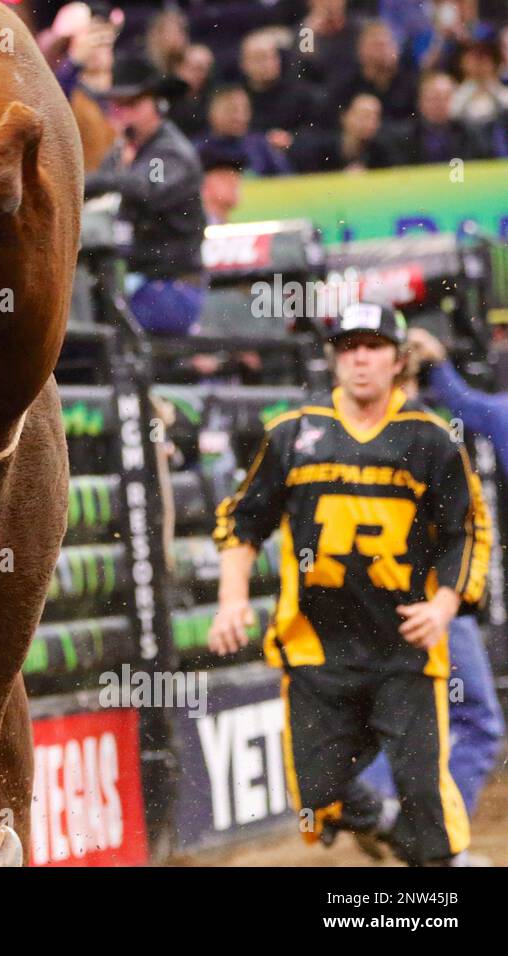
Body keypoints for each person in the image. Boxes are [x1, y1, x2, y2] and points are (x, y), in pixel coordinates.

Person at [209, 302, 492, 866]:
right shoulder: (293, 434)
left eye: (373, 346)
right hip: (316, 648)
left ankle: (443, 867)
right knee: (317, 797)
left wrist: (442, 605)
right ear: (334, 358)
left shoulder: (431, 439)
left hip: (405, 648)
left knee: (424, 791)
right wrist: (231, 599)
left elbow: (466, 530)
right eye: (348, 347)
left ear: (397, 358)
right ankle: (385, 822)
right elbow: (243, 521)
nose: (360, 359)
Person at [352, 328, 505, 844]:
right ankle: (425, 832)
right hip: (432, 600)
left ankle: (370, 804)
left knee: (407, 713)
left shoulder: (337, 432)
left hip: (372, 597)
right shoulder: (430, 433)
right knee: (476, 722)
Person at [84, 57, 206, 336]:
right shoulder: (123, 152)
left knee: (102, 328)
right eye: (118, 105)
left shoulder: (174, 152)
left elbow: (147, 187)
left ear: (158, 105)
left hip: (171, 288)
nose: (123, 114)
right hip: (132, 281)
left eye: (133, 104)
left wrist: (88, 182)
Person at [323, 19, 418, 124]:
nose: (384, 51)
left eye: (388, 44)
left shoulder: (409, 83)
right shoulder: (346, 83)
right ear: (361, 49)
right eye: (377, 45)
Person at [388, 71, 488, 165]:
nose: (439, 104)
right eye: (434, 98)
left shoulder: (469, 133)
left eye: (445, 98)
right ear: (420, 100)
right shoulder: (403, 137)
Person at [194, 85, 293, 177]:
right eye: (232, 110)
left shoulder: (261, 146)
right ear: (212, 112)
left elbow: (288, 184)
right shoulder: (197, 151)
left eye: (245, 109)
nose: (240, 117)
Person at [290, 92, 398, 172]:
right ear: (345, 116)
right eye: (364, 116)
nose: (370, 123)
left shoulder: (382, 152)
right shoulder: (322, 150)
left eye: (375, 117)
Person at [239, 29, 317, 138]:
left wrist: (290, 140)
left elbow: (315, 132)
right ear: (244, 64)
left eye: (272, 56)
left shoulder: (301, 95)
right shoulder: (238, 97)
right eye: (260, 58)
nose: (268, 63)